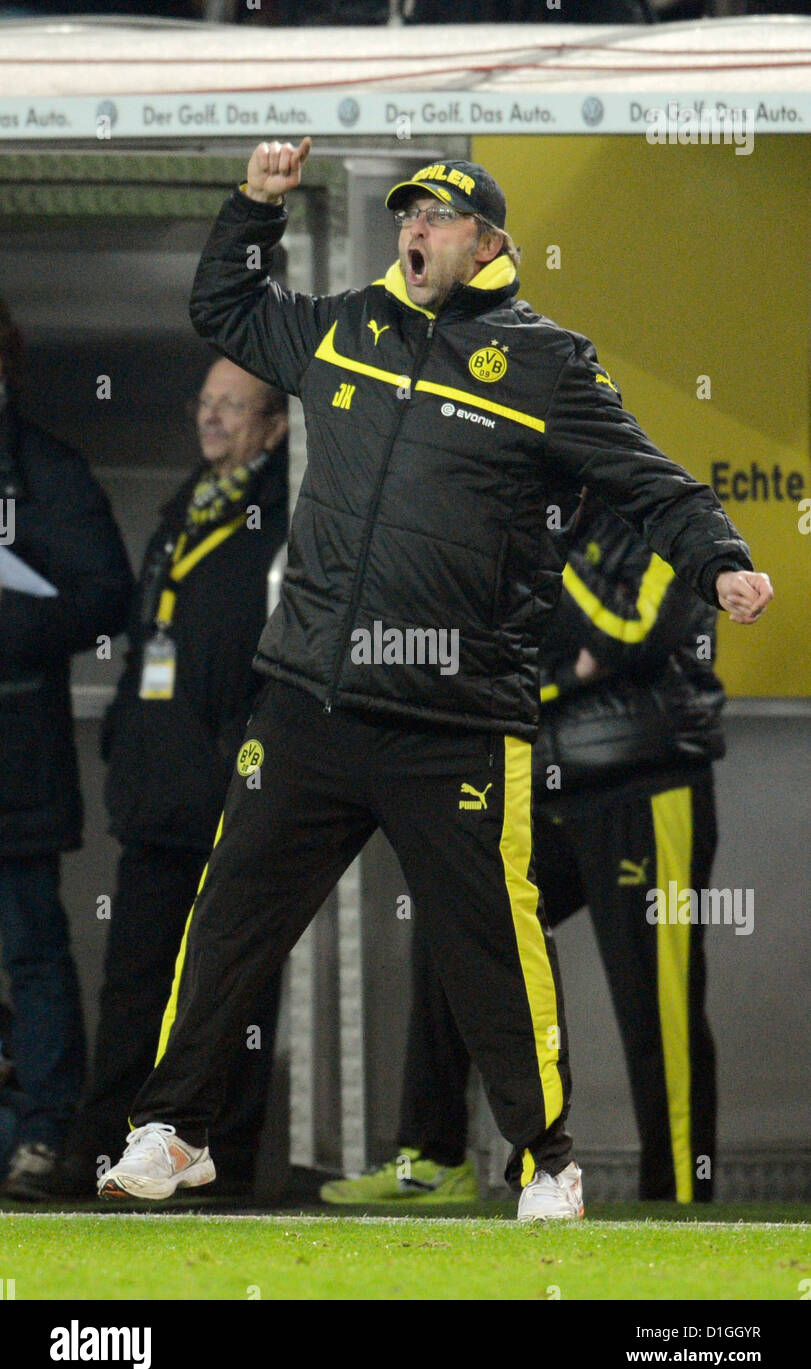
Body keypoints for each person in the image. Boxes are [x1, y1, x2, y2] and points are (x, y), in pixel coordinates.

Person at [99, 140, 772, 1221]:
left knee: (488, 948)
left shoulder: (548, 362)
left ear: (490, 244)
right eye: (407, 215)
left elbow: (653, 486)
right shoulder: (347, 328)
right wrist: (254, 207)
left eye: (439, 219)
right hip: (310, 701)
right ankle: (174, 1131)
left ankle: (546, 1162)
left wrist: (723, 561)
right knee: (228, 917)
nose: (414, 231)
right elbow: (225, 310)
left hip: (455, 721)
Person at [321, 493, 726, 1207]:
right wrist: (567, 665)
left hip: (643, 779)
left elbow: (630, 631)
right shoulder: (508, 520)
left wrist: (555, 559)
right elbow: (495, 656)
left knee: (656, 1005)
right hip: (539, 780)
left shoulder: (661, 513)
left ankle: (679, 1202)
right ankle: (435, 1158)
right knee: (457, 926)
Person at [18, 357, 290, 1201]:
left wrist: (236, 759)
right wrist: (130, 744)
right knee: (133, 983)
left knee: (229, 984)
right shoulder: (184, 507)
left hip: (230, 796)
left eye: (232, 407)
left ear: (275, 426)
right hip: (156, 792)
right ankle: (100, 1155)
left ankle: (222, 1164)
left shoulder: (286, 515)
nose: (210, 419)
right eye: (204, 403)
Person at [0, 296, 133, 1198]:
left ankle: (46, 1137)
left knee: (33, 945)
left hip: (16, 758)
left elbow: (104, 597)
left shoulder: (43, 468)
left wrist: (7, 624)